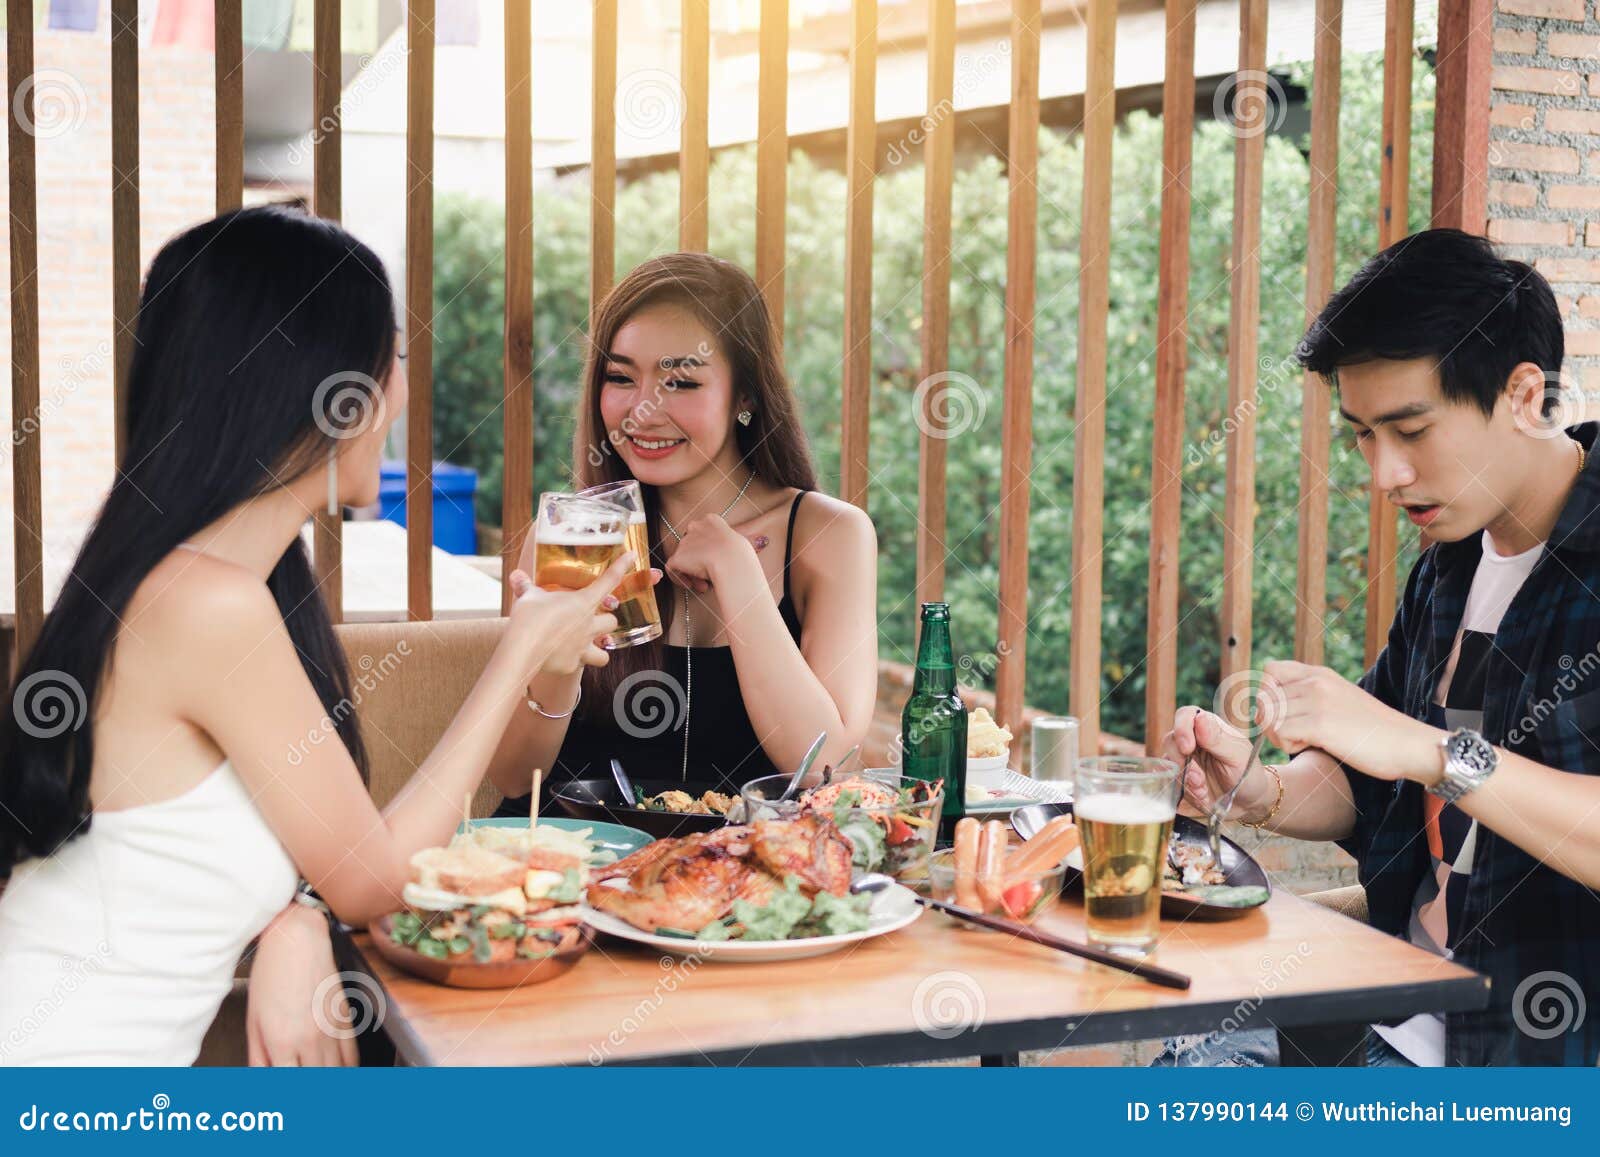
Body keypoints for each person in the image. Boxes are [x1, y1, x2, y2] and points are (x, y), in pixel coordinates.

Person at [0, 206, 628, 1065]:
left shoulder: (215, 578)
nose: (399, 389)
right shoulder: (205, 606)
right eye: (392, 356)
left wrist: (293, 916)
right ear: (314, 383)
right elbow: (377, 883)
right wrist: (516, 650)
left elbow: (209, 852)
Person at [1161, 228, 1600, 1067]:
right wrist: (1262, 790)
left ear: (1521, 393)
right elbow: (1376, 782)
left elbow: (1417, 752)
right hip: (1381, 1015)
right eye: (1363, 433)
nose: (1384, 473)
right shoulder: (1450, 562)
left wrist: (1434, 749)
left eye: (1411, 428)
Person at [488, 252, 879, 813]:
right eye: (620, 377)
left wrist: (740, 577)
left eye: (680, 381)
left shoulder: (829, 534)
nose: (642, 410)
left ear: (746, 396)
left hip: (744, 878)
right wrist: (559, 661)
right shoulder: (573, 536)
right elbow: (512, 780)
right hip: (573, 869)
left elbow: (823, 766)